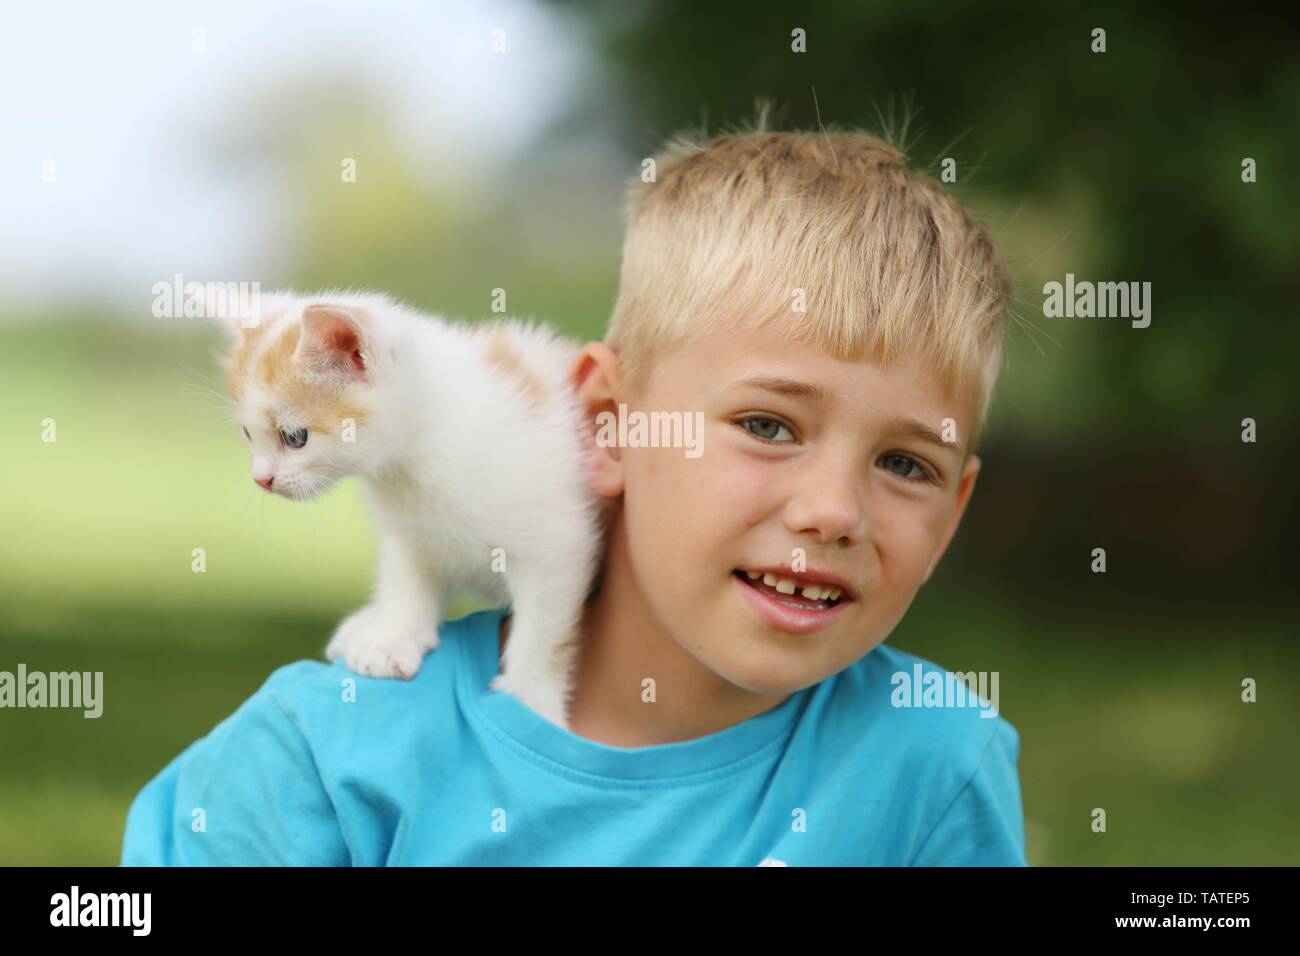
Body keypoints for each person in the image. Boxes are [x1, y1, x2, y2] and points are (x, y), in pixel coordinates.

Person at [121, 114, 1026, 865]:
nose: (834, 511)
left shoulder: (934, 767)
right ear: (607, 423)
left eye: (907, 464)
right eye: (767, 425)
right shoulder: (319, 759)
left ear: (952, 513)